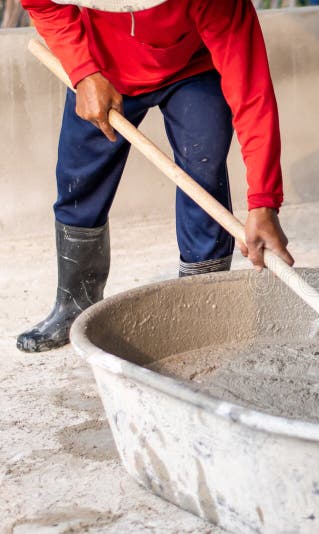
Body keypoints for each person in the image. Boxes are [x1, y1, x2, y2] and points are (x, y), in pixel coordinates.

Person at [18, 0, 293, 352]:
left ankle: (202, 311)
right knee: (78, 185)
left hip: (192, 69)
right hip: (101, 73)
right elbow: (41, 5)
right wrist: (83, 72)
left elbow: (252, 94)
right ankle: (73, 304)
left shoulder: (221, 4)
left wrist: (264, 203)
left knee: (203, 176)